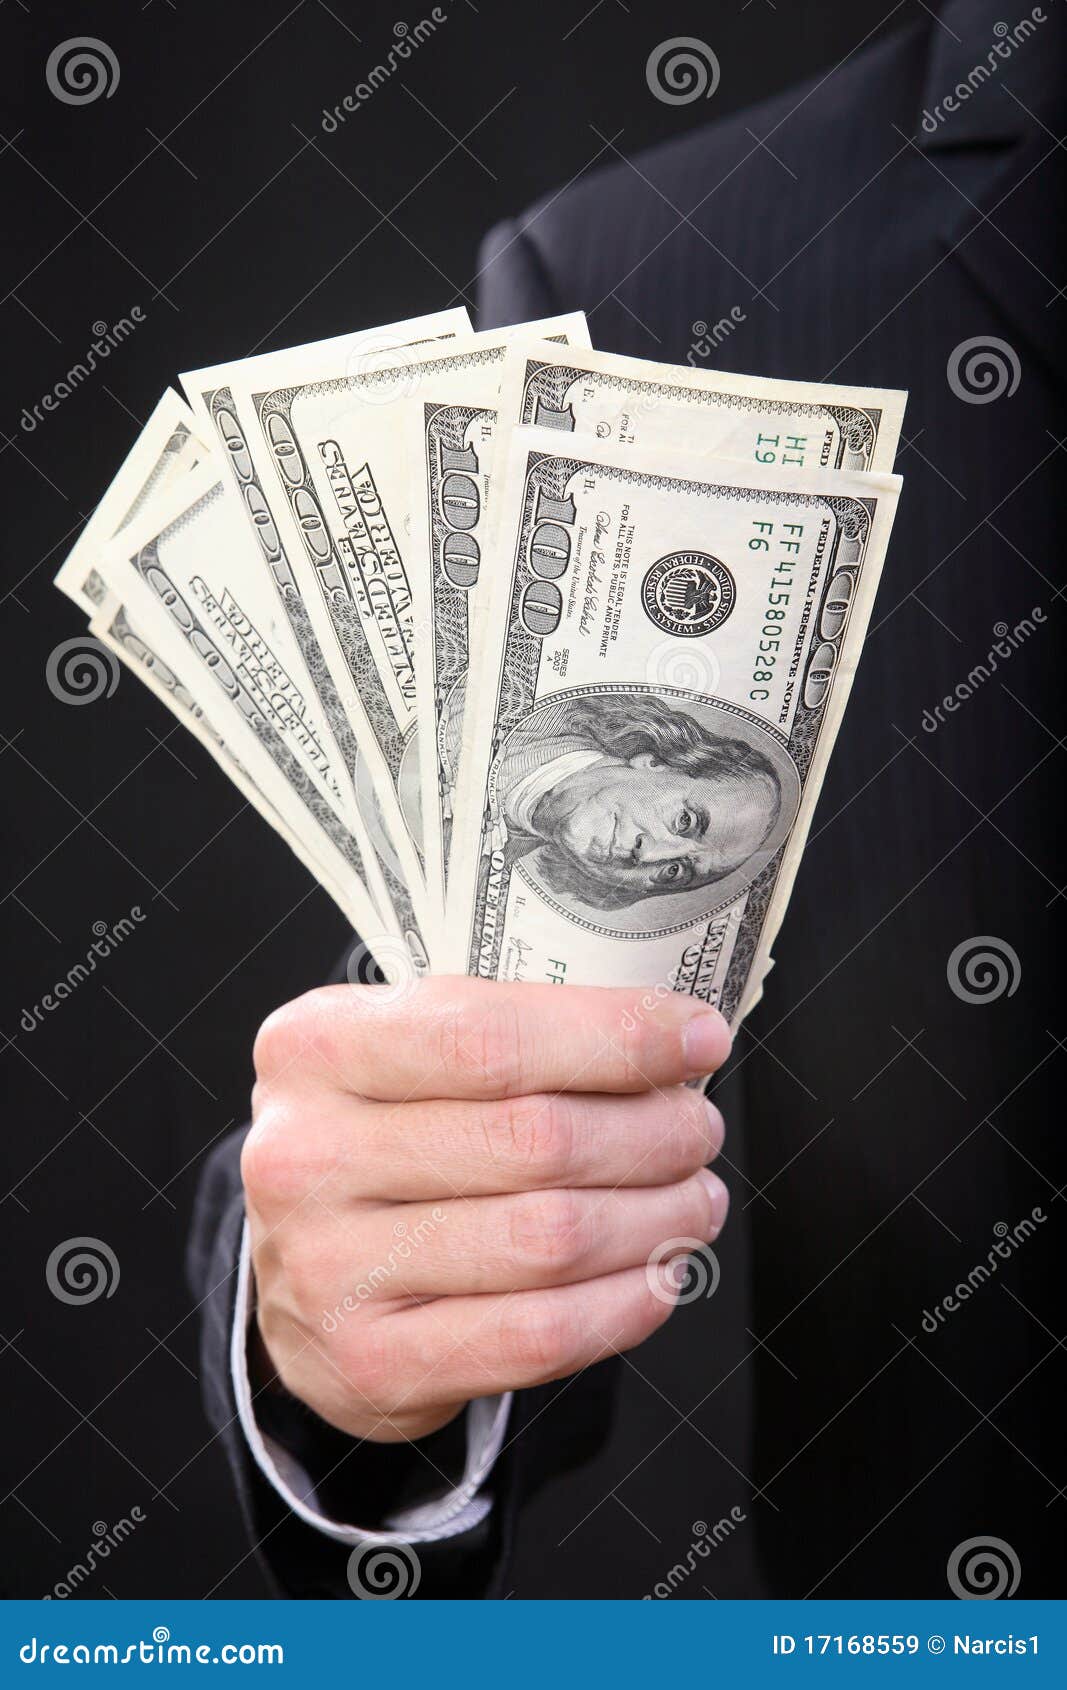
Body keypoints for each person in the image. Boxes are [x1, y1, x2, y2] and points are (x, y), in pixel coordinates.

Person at [189, 0, 1065, 1598]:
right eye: (648, 830)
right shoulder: (665, 285)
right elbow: (451, 1134)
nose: (635, 841)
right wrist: (345, 1314)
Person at [491, 692, 783, 909]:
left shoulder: (479, 876)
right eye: (685, 821)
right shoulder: (524, 700)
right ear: (655, 763)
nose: (649, 856)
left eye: (674, 872)